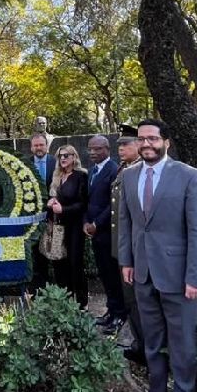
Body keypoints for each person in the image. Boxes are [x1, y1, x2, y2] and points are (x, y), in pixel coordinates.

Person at [117, 119, 197, 392]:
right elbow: (128, 223)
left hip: (179, 278)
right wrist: (127, 262)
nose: (146, 144)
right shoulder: (129, 177)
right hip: (143, 275)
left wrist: (196, 278)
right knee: (152, 341)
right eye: (142, 139)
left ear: (166, 142)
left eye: (152, 139)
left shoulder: (189, 177)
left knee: (183, 344)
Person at [84, 135, 125, 335]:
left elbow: (113, 204)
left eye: (97, 149)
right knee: (104, 274)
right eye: (90, 149)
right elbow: (88, 201)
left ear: (107, 149)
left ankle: (120, 315)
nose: (92, 153)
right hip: (94, 233)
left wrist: (96, 223)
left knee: (113, 275)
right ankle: (111, 310)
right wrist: (85, 222)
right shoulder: (92, 171)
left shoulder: (114, 170)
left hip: (108, 233)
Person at [111, 134, 146, 365]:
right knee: (130, 300)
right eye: (120, 145)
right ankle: (139, 343)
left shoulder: (142, 171)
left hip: (136, 248)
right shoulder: (125, 169)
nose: (121, 148)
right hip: (122, 247)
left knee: (140, 302)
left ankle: (146, 348)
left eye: (126, 144)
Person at [46, 144, 89, 309]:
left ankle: (81, 303)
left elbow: (83, 204)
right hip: (58, 227)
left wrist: (63, 209)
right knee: (59, 264)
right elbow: (53, 200)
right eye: (60, 156)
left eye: (66, 155)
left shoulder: (80, 176)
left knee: (75, 263)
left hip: (75, 228)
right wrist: (50, 203)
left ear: (74, 157)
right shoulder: (56, 176)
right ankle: (65, 300)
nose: (62, 158)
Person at [28, 133, 56, 292]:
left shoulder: (57, 162)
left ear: (46, 146)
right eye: (36, 145)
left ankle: (54, 288)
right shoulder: (25, 163)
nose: (39, 148)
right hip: (32, 218)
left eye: (41, 145)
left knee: (54, 253)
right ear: (31, 147)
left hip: (54, 216)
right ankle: (38, 288)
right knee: (36, 254)